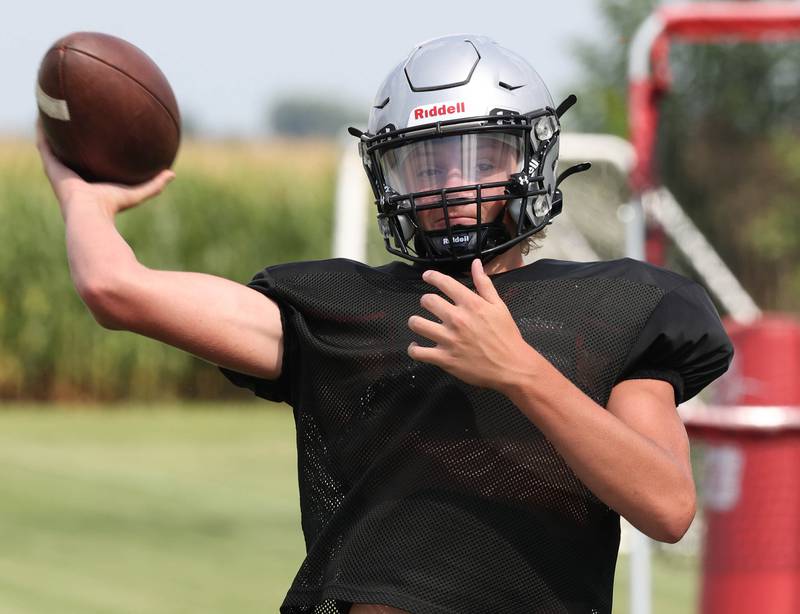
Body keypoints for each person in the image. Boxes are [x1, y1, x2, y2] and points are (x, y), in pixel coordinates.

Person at [38, 34, 733, 614]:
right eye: (424, 164)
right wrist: (80, 196)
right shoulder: (343, 310)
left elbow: (668, 506)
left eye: (478, 157)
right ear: (388, 178)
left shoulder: (613, 309)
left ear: (533, 157)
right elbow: (113, 288)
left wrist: (517, 370)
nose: (450, 187)